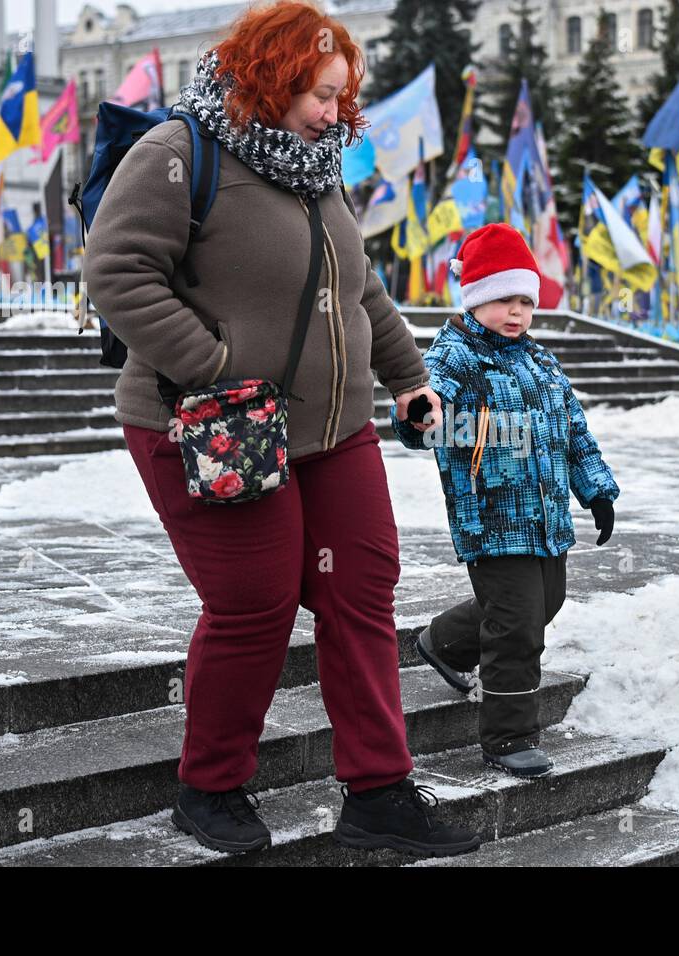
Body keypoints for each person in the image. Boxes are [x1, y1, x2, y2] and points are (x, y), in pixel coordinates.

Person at [83, 0, 478, 858]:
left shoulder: (315, 167)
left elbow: (362, 290)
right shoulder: (178, 153)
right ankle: (209, 785)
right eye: (322, 94)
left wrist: (410, 379)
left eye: (343, 96)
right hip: (213, 424)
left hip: (332, 431)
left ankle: (379, 792)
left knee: (361, 592)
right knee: (254, 606)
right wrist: (217, 364)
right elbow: (116, 272)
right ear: (272, 75)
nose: (337, 113)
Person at [390, 223, 621, 777]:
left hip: (545, 517)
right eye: (500, 300)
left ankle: (442, 644)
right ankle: (509, 737)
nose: (515, 312)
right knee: (518, 626)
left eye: (524, 301)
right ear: (475, 298)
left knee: (545, 604)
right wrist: (424, 418)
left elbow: (573, 428)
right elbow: (426, 413)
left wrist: (595, 488)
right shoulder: (456, 355)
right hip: (491, 517)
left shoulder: (540, 362)